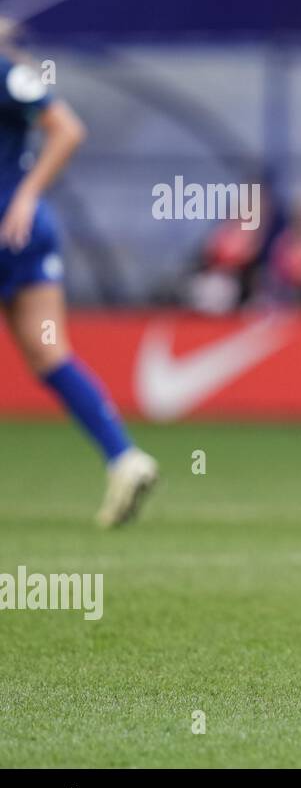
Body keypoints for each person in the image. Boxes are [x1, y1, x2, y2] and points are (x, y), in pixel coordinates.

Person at [0, 48, 158, 526]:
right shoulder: (12, 73)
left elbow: (68, 128)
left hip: (11, 223)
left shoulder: (7, 73)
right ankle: (124, 457)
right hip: (27, 231)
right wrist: (29, 198)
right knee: (51, 355)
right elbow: (67, 128)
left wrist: (23, 196)